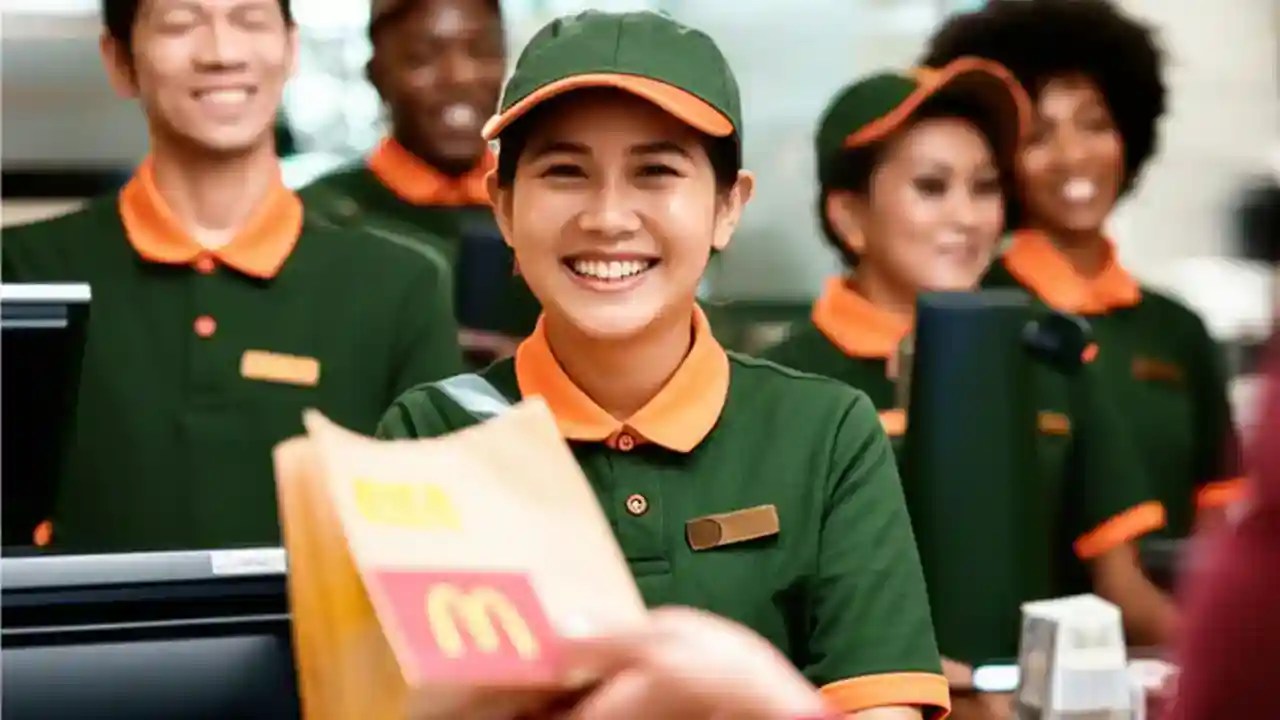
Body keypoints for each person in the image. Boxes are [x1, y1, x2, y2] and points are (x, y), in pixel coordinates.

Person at [379, 10, 950, 718]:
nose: (610, 216)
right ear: (503, 208)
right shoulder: (433, 438)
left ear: (726, 207)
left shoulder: (826, 434)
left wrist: (745, 695)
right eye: (565, 172)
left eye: (655, 172)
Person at [762, 58, 1175, 706]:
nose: (968, 217)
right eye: (932, 187)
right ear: (848, 217)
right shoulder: (781, 384)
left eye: (984, 188)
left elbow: (1123, 587)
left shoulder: (1048, 350)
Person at [0, 0, 462, 552]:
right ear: (119, 59)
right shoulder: (23, 271)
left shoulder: (401, 284)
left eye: (249, 20)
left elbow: (437, 551)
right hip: (79, 640)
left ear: (290, 47)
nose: (221, 53)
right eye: (180, 23)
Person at [921, 0, 1245, 539]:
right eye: (1039, 137)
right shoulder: (975, 314)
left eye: (1095, 124)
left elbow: (1222, 520)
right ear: (998, 157)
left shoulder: (1177, 330)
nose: (1073, 156)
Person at [300, 0, 541, 364]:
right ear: (376, 75)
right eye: (422, 57)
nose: (459, 76)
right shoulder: (319, 216)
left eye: (482, 50)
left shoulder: (546, 210)